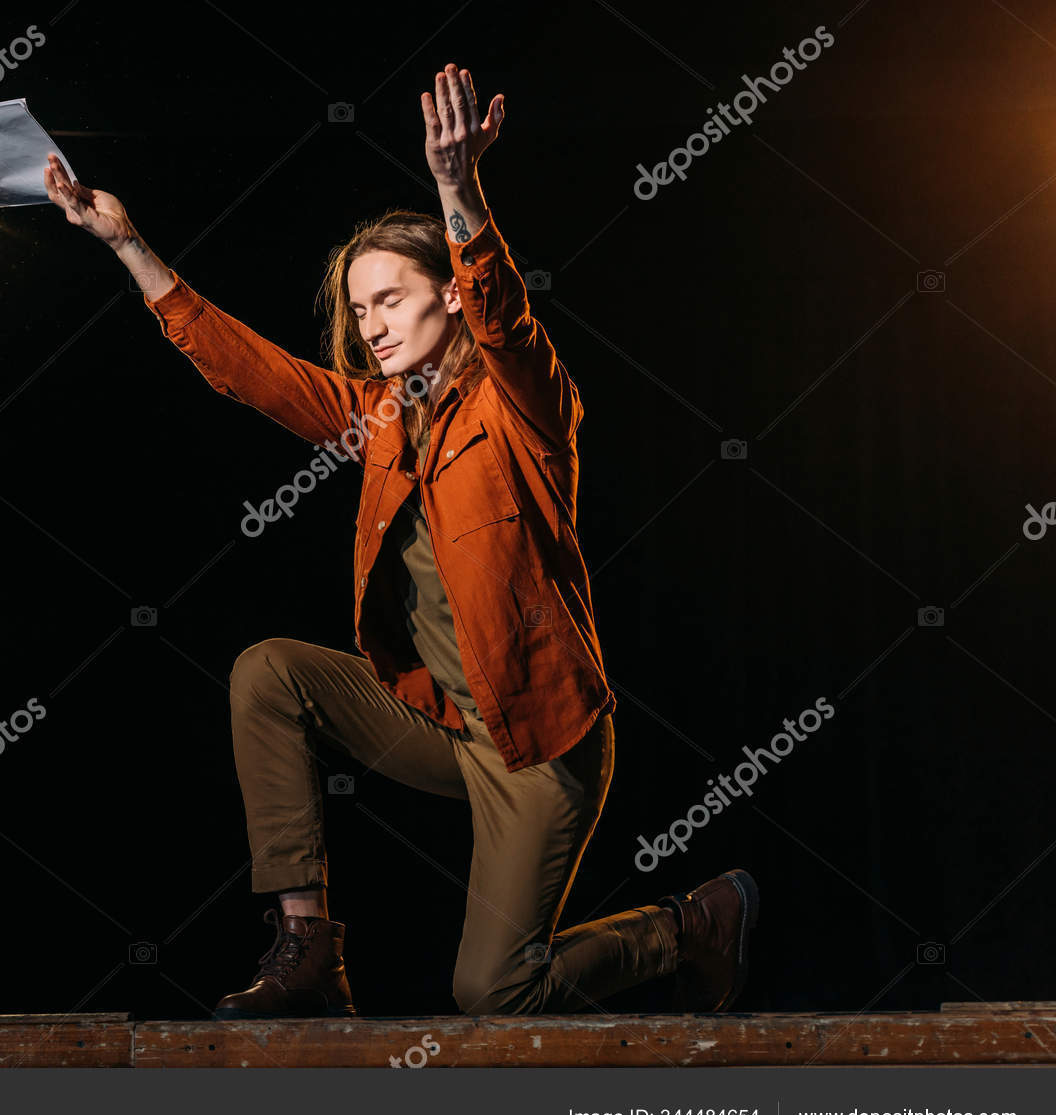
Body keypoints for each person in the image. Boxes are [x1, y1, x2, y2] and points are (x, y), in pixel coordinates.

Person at [42, 63, 758, 1017]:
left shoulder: (523, 408)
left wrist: (459, 190)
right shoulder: (379, 418)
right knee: (270, 672)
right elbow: (246, 372)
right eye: (361, 307)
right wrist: (127, 244)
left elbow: (506, 317)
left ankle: (687, 927)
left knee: (493, 993)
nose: (372, 325)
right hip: (446, 727)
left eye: (392, 299)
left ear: (448, 297)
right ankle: (307, 950)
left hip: (543, 749)